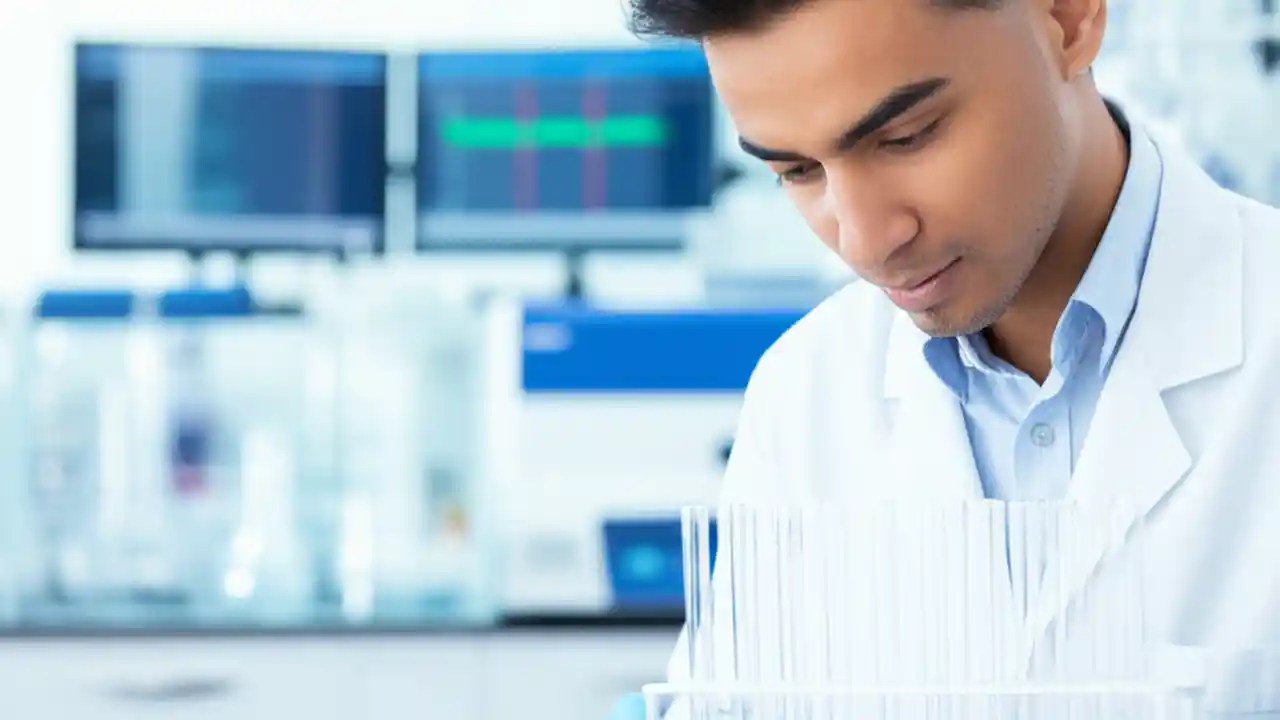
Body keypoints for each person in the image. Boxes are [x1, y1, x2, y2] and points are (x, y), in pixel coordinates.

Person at [620, 0, 1280, 714]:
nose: (865, 243)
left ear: (1067, 19)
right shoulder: (802, 395)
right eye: (799, 172)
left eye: (906, 137)